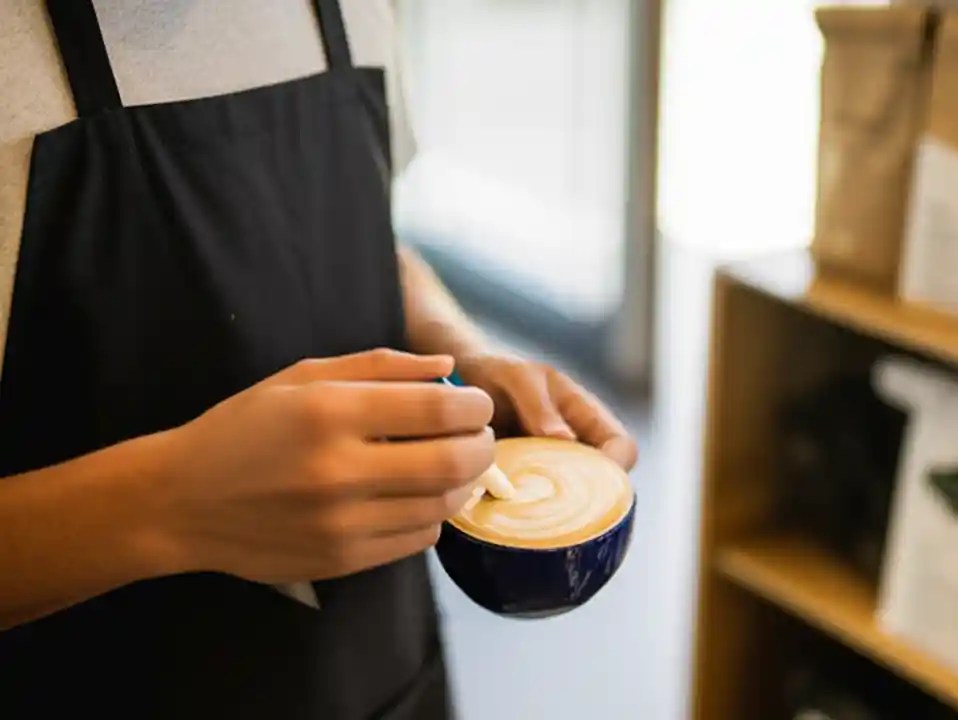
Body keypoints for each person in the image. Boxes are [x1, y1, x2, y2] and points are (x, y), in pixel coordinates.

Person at [0, 1, 638, 718]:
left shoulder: (356, 11)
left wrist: (459, 353)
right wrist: (170, 503)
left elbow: (366, 238)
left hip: (384, 679)